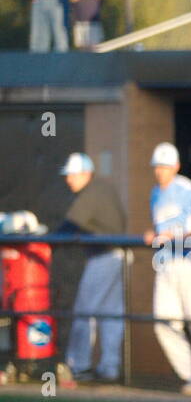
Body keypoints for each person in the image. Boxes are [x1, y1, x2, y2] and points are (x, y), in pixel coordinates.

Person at [142, 142, 191, 395]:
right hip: (165, 263)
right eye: (158, 167)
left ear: (176, 166)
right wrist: (154, 234)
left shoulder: (189, 189)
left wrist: (178, 235)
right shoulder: (155, 192)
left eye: (166, 166)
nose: (161, 171)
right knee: (163, 321)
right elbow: (161, 228)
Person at [55, 152, 126, 384]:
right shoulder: (102, 188)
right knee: (110, 314)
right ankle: (110, 368)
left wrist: (47, 242)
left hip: (104, 258)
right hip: (115, 256)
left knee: (84, 311)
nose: (68, 179)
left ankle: (79, 366)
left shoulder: (94, 190)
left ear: (86, 174)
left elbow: (70, 225)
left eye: (72, 175)